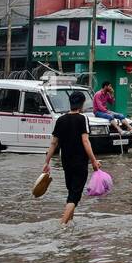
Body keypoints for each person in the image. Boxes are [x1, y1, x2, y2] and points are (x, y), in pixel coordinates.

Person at [41, 90, 102, 225]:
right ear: (82, 104)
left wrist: (46, 162)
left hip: (66, 163)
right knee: (74, 197)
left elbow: (53, 143)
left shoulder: (60, 120)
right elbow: (86, 141)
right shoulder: (82, 118)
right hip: (80, 163)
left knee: (71, 193)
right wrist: (94, 161)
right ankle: (62, 225)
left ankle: (70, 223)